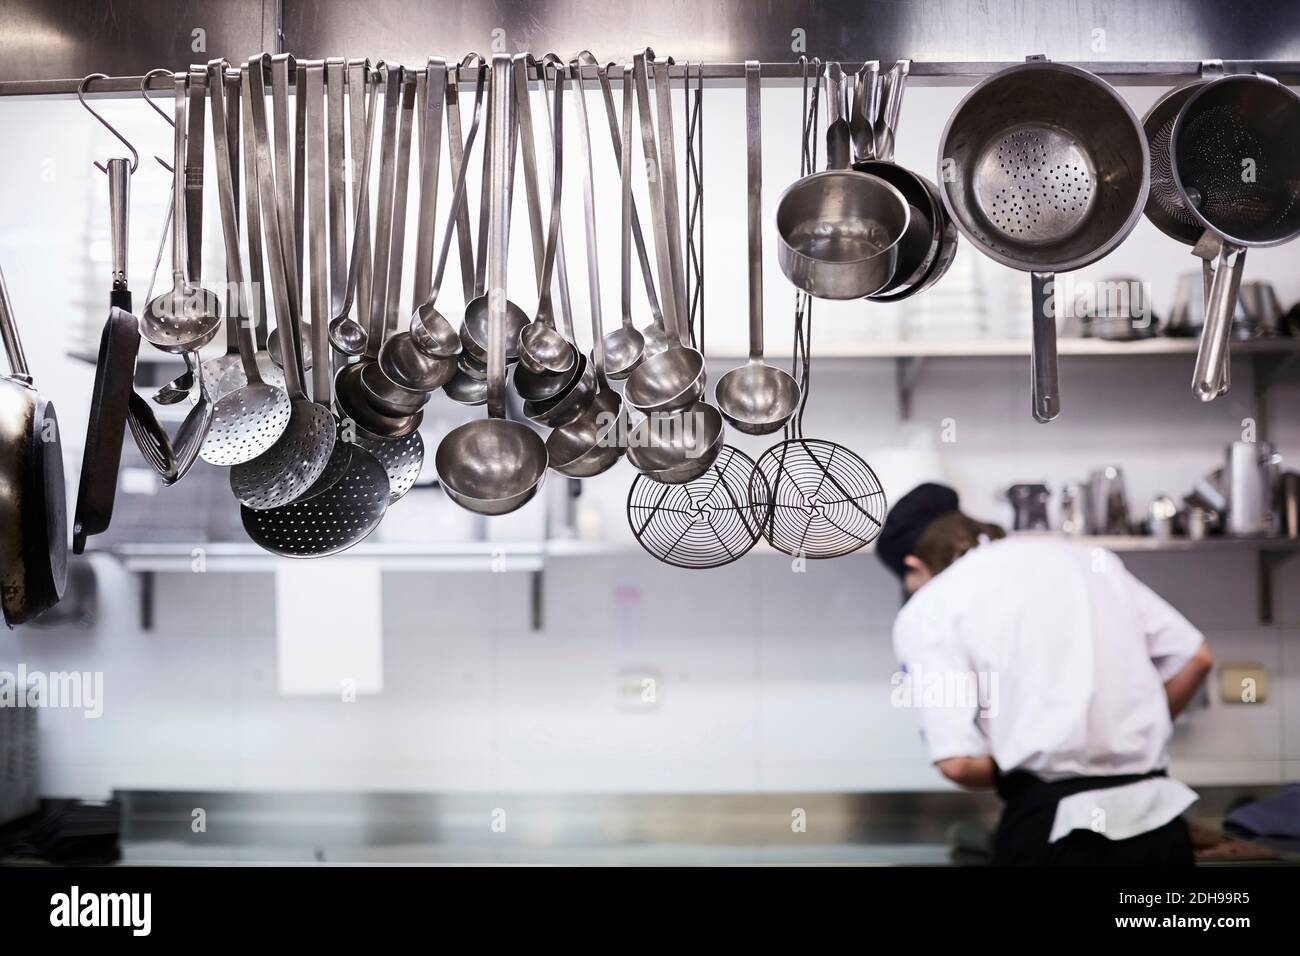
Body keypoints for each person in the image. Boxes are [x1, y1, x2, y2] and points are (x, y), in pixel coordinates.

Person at [877, 482, 1214, 866]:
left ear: (914, 565)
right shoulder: (1089, 560)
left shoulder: (929, 607)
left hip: (1053, 833)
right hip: (1158, 824)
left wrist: (1024, 757)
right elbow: (1197, 657)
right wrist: (1130, 729)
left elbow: (957, 763)